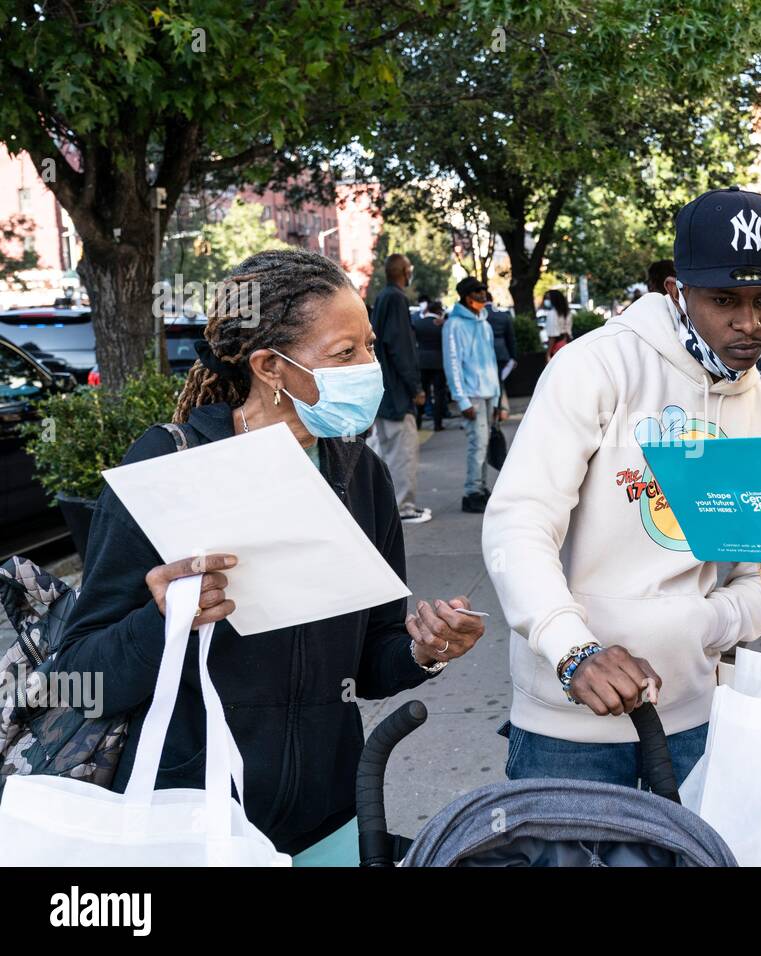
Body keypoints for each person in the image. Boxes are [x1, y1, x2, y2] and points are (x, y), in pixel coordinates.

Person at [48, 249, 485, 859]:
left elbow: (373, 657)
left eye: (369, 348)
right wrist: (164, 619)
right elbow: (73, 677)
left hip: (331, 819)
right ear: (268, 366)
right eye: (344, 354)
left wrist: (426, 649)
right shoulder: (169, 464)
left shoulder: (363, 475)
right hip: (191, 824)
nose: (367, 367)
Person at [482, 186, 761, 788]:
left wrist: (700, 627)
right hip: (567, 726)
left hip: (699, 719)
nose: (749, 321)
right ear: (677, 294)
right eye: (723, 299)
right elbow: (520, 520)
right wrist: (572, 649)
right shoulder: (596, 368)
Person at [367, 253, 430, 524]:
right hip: (396, 392)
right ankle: (402, 507)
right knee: (403, 449)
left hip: (384, 389)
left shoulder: (382, 298)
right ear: (405, 271)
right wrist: (415, 386)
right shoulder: (396, 299)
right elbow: (401, 348)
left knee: (386, 449)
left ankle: (391, 506)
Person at [444, 275, 501, 514]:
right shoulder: (453, 325)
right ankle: (472, 492)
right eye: (478, 293)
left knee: (484, 444)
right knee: (477, 445)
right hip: (472, 395)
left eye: (483, 293)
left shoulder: (485, 324)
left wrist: (497, 397)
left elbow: (492, 362)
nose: (482, 297)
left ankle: (481, 487)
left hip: (488, 393)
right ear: (467, 298)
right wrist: (462, 398)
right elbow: (453, 363)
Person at [411, 297, 447, 431]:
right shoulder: (441, 324)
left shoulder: (417, 323)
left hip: (422, 361)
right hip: (439, 361)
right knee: (439, 393)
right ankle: (438, 424)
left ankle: (418, 422)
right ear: (438, 311)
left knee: (423, 392)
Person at [484, 291, 515, 421]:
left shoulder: (480, 316)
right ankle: (498, 409)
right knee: (498, 382)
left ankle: (492, 410)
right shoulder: (503, 316)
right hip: (501, 352)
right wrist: (513, 356)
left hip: (485, 352)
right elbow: (511, 338)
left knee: (487, 382)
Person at [541, 288, 573, 358]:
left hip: (556, 348)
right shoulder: (567, 312)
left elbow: (552, 337)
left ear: (554, 300)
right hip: (566, 345)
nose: (546, 301)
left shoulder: (552, 313)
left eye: (548, 299)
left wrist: (548, 354)